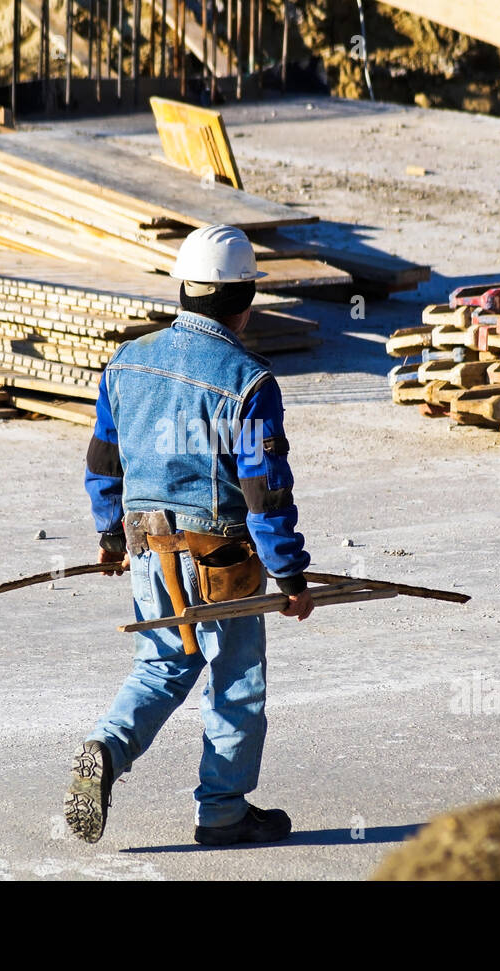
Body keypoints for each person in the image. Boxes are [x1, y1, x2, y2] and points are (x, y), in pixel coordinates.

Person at [68, 224, 315, 846]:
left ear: (182, 289)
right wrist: (289, 576)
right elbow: (264, 491)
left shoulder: (125, 362)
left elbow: (104, 464)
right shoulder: (249, 380)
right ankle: (224, 812)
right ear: (247, 302)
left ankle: (107, 747)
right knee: (236, 681)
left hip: (149, 547)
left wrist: (112, 537)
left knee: (159, 668)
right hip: (223, 557)